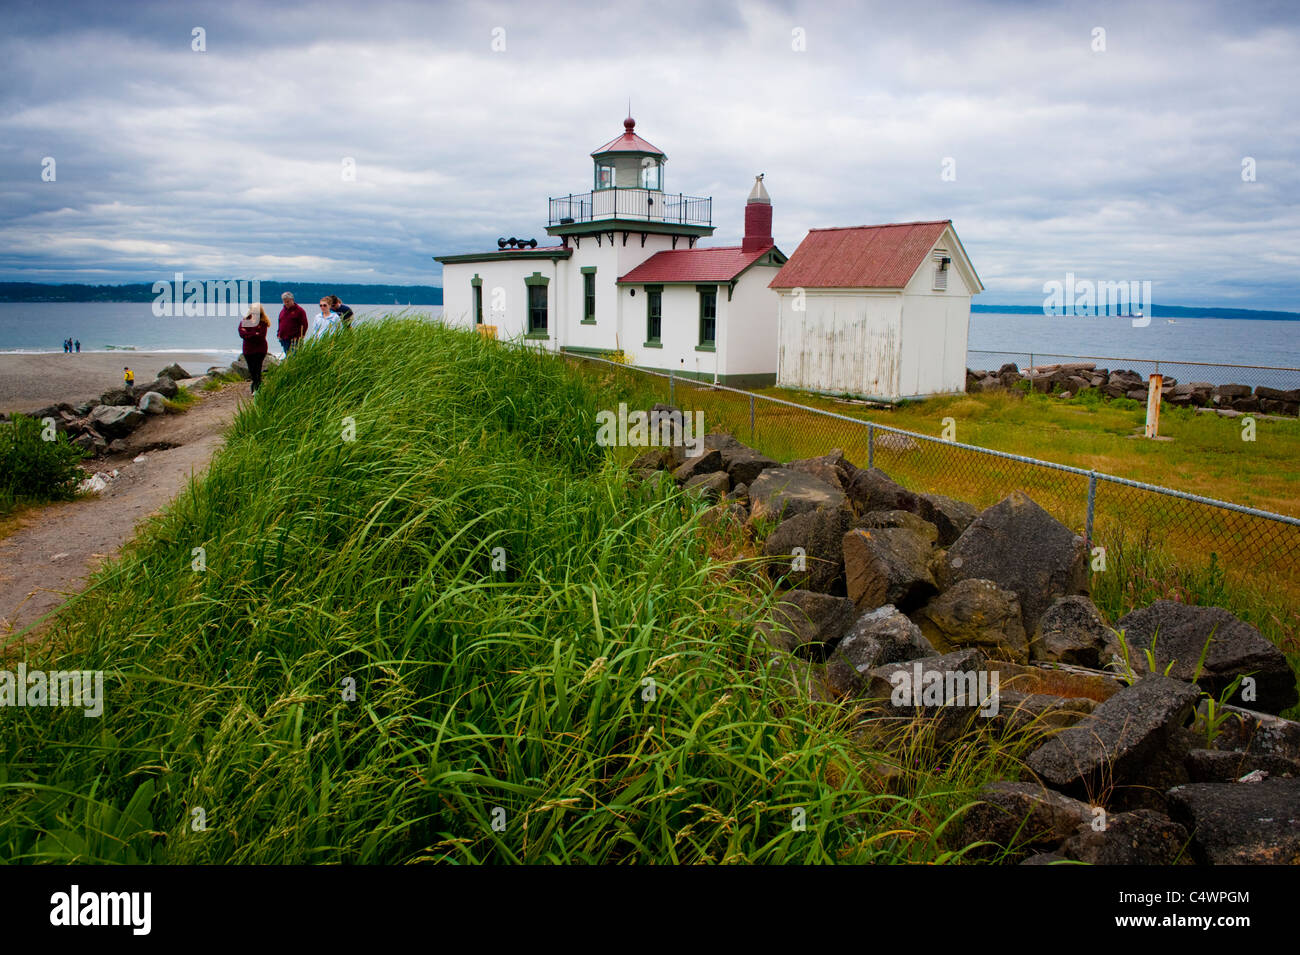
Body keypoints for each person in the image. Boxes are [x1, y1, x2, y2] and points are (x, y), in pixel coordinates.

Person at [238, 304, 271, 396]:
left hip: (260, 349)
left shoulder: (263, 322)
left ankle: (256, 389)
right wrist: (253, 333)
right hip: (248, 350)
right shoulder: (246, 321)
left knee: (257, 369)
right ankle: (257, 386)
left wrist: (249, 333)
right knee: (251, 370)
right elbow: (242, 333)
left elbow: (260, 336)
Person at [277, 291, 308, 356]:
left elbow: (304, 325)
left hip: (295, 340)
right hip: (284, 339)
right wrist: (278, 334)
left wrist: (300, 336)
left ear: (292, 300)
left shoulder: (299, 311)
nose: (286, 303)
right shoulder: (283, 311)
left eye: (287, 301)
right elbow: (280, 323)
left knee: (295, 357)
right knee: (288, 357)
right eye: (284, 301)